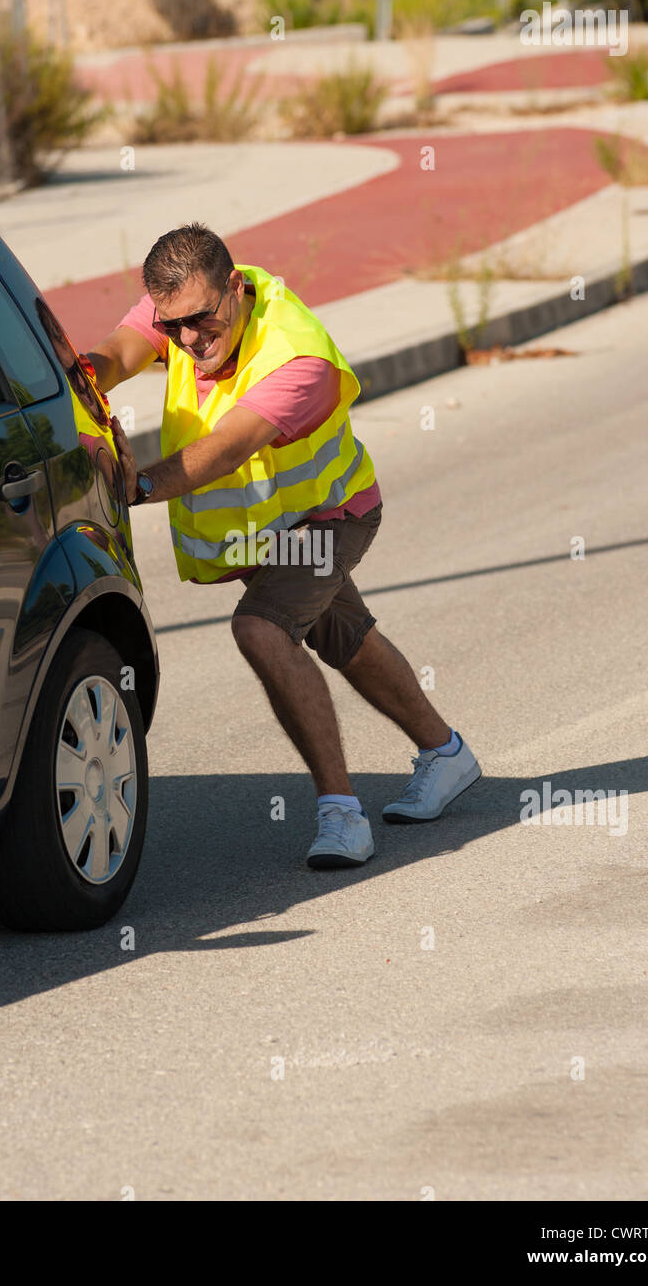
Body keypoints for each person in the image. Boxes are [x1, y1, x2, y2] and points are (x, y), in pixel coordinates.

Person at [86, 223, 481, 868]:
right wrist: (70, 388)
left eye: (201, 322)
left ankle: (341, 814)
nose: (188, 341)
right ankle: (446, 754)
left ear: (234, 289)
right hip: (272, 529)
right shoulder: (191, 305)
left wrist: (138, 484)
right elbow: (115, 354)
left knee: (263, 631)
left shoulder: (299, 359)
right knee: (346, 640)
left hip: (329, 519)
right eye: (172, 325)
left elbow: (229, 446)